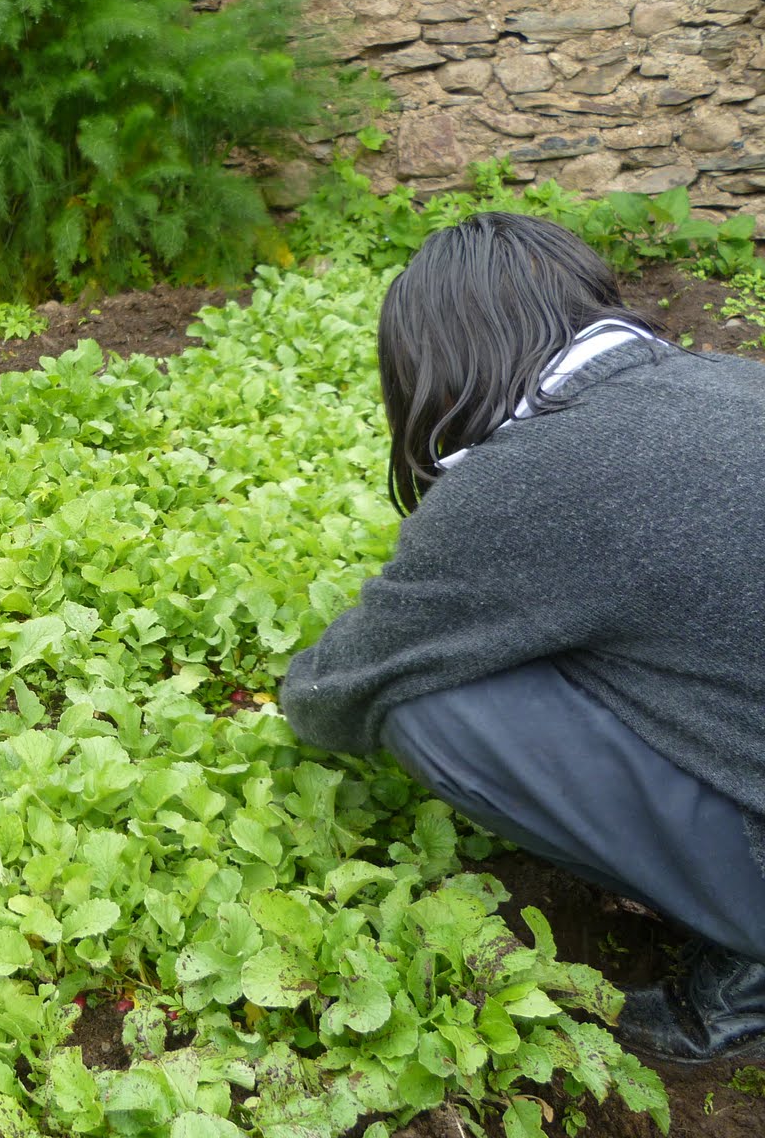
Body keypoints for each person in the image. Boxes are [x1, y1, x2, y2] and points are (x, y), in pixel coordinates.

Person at [279, 212, 765, 1064]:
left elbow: (333, 695)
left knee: (434, 706)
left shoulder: (532, 474)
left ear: (436, 361)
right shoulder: (731, 381)